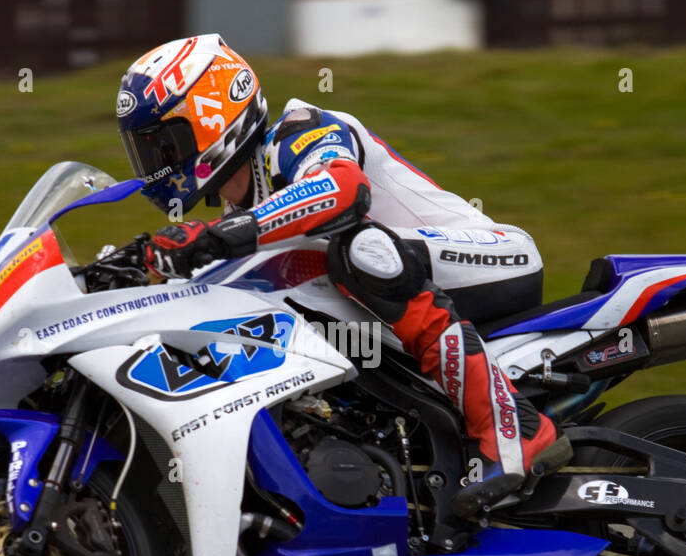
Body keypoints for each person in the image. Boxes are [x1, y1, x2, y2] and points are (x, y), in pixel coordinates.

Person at [115, 34, 570, 518]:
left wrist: (218, 237)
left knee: (358, 250)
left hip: (495, 258)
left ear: (210, 119)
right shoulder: (237, 209)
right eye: (148, 152)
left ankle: (512, 427)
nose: (157, 166)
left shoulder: (299, 130)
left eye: (165, 145)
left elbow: (343, 190)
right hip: (415, 290)